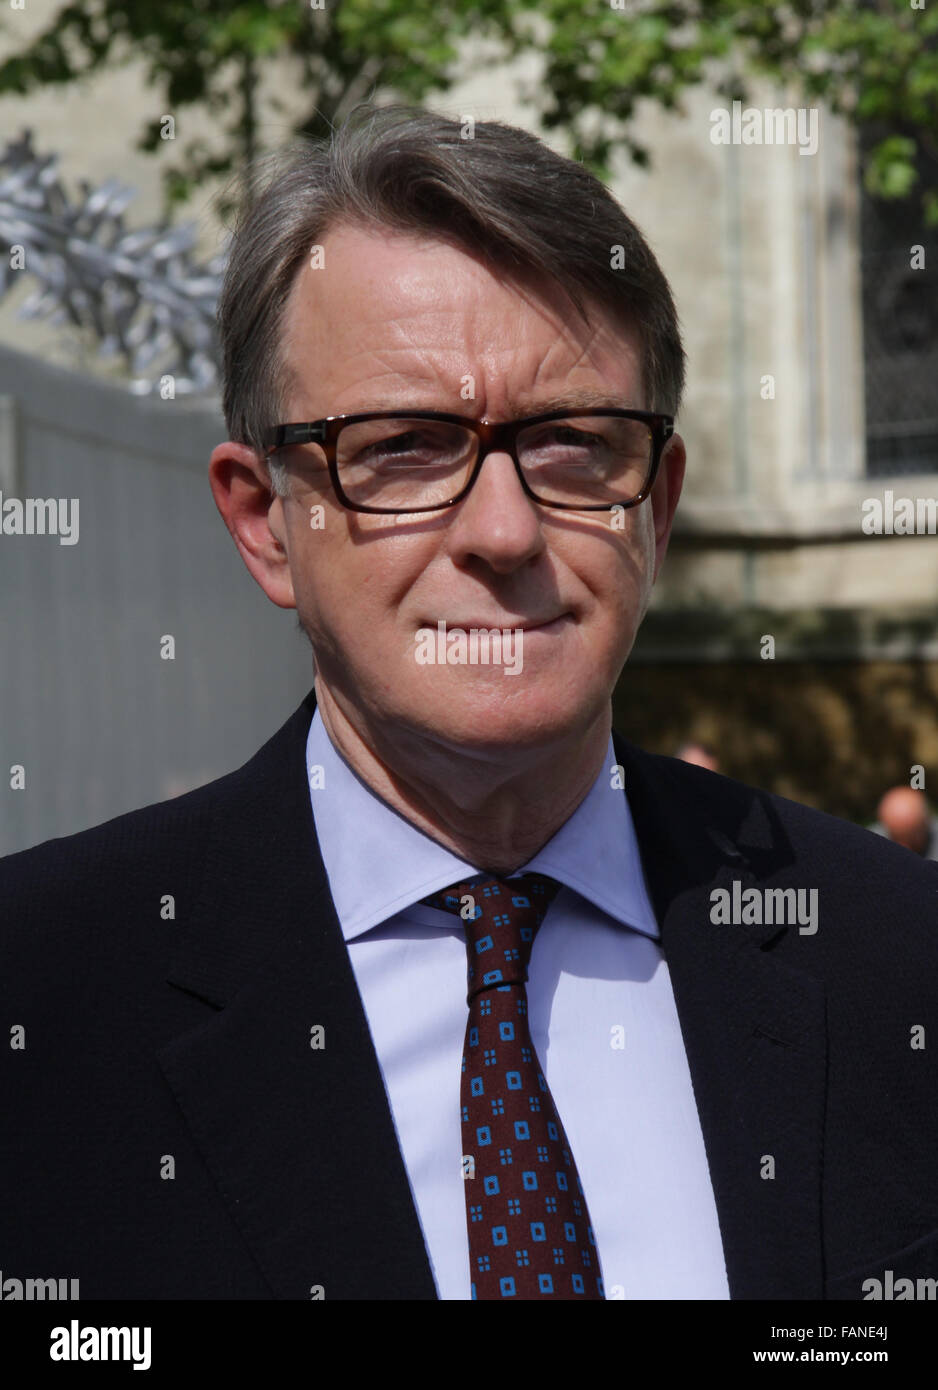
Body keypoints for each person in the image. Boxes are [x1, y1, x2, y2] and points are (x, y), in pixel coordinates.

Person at [2, 103, 937, 1303]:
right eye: (401, 448)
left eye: (572, 445)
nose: (502, 531)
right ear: (265, 522)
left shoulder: (895, 962)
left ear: (653, 510)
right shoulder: (43, 1002)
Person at [873, 786, 938, 861]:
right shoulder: (873, 843)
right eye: (896, 837)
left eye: (911, 838)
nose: (904, 848)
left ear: (927, 824)